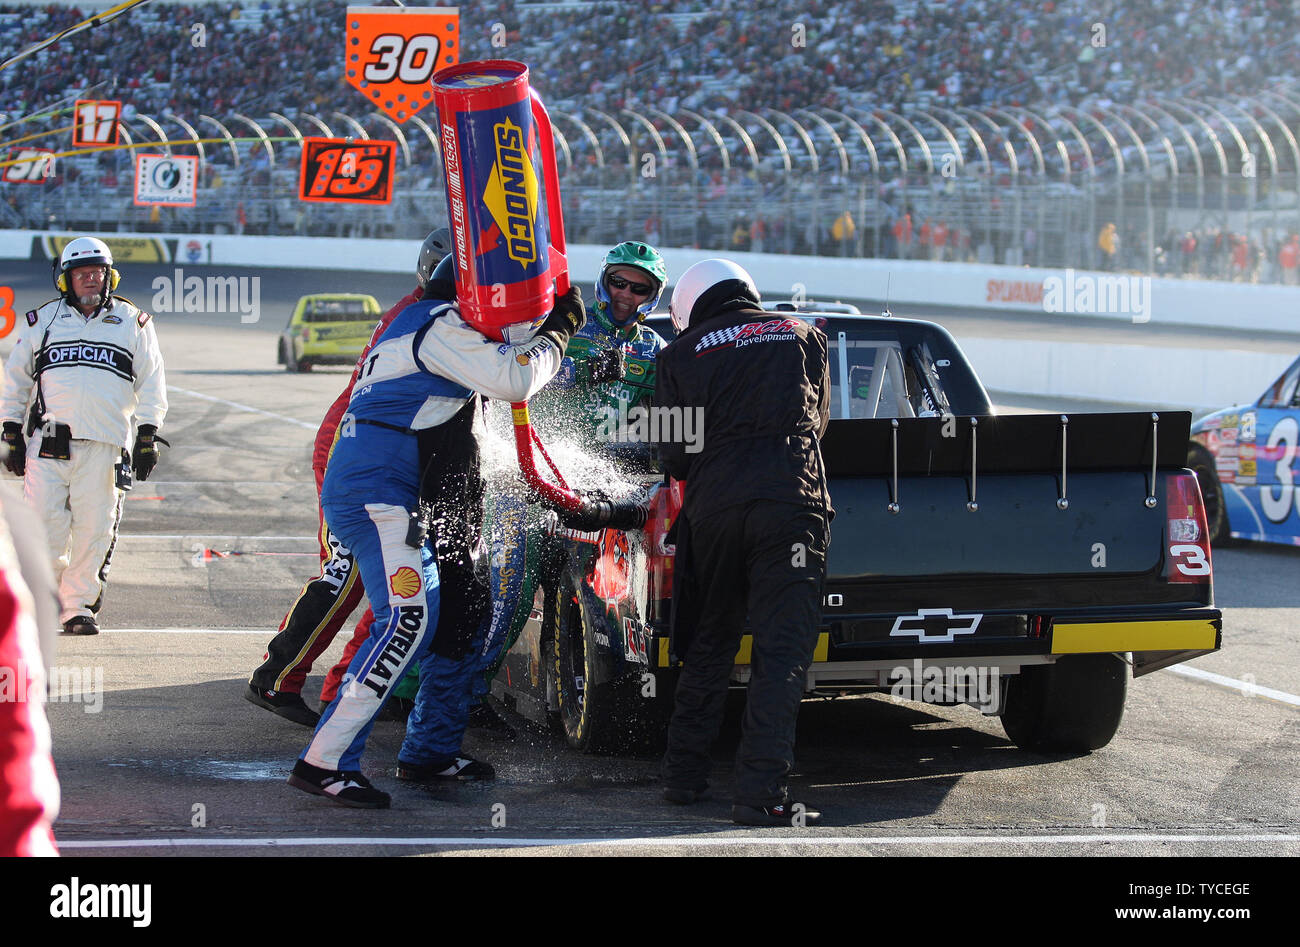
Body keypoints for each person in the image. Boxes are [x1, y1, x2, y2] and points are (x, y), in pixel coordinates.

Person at [320, 241, 671, 730]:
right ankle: (443, 696)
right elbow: (515, 378)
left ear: (653, 295)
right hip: (527, 476)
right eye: (618, 282)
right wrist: (578, 374)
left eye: (639, 288)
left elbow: (668, 418)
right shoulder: (571, 326)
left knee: (573, 594)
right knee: (506, 593)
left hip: (594, 487)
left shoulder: (655, 349)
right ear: (603, 281)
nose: (625, 295)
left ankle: (505, 691)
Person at [288, 256, 587, 808]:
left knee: (459, 613)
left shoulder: (435, 325)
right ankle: (323, 760)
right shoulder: (437, 322)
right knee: (408, 619)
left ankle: (430, 749)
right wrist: (560, 330)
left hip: (409, 499)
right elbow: (516, 377)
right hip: (382, 496)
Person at [246, 228, 451, 727]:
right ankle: (278, 680)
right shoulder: (415, 315)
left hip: (382, 451)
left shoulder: (427, 312)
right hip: (352, 449)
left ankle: (337, 685)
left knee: (379, 577)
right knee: (347, 576)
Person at [653, 258, 832, 827]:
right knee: (782, 653)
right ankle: (760, 796)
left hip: (714, 512)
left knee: (709, 641)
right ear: (747, 292)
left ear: (689, 309)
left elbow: (674, 456)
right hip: (790, 504)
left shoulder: (676, 354)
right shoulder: (802, 334)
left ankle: (682, 778)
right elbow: (818, 422)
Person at [1, 236, 167, 635]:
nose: (90, 279)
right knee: (43, 528)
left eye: (97, 272)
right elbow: (16, 379)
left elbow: (153, 381)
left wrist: (147, 433)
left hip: (107, 446)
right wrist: (9, 430)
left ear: (110, 276)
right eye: (81, 274)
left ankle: (77, 608)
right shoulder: (40, 322)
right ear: (65, 280)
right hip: (49, 444)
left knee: (95, 530)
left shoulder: (135, 323)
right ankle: (42, 602)